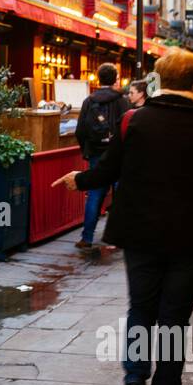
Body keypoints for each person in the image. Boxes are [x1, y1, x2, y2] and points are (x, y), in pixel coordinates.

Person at [54, 49, 193, 385]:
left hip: (141, 231)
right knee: (173, 321)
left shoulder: (134, 120)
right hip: (192, 235)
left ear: (158, 80)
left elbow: (108, 169)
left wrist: (79, 180)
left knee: (141, 310)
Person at [74, 63, 128, 249]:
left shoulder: (89, 100)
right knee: (119, 196)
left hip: (97, 153)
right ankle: (114, 238)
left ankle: (86, 238)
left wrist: (86, 150)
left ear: (98, 78)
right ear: (115, 79)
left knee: (95, 194)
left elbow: (80, 130)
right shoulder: (122, 101)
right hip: (119, 154)